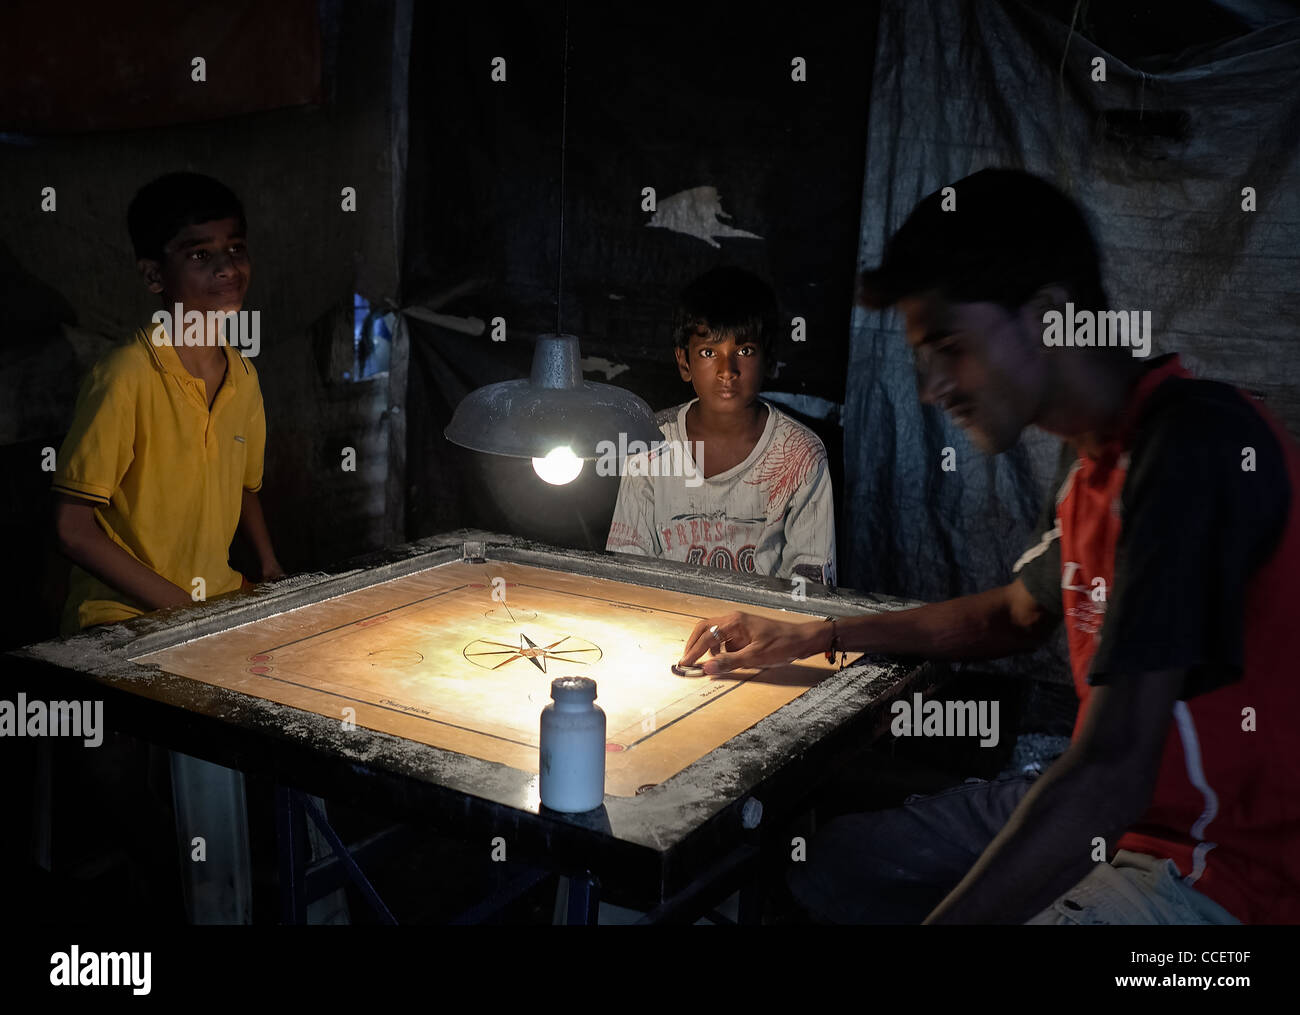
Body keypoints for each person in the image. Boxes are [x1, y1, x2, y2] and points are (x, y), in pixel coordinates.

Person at [679, 169, 1300, 924]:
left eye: (948, 345)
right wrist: (820, 634)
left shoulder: (1195, 447)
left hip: (1215, 871)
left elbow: (1109, 775)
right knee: (832, 868)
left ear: (1046, 316)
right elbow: (1013, 613)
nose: (931, 386)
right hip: (1122, 820)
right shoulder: (1093, 460)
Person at [52, 172, 282, 634]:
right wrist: (183, 612)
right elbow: (72, 530)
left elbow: (244, 486)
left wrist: (270, 568)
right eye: (200, 254)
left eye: (235, 248)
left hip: (214, 601)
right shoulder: (125, 376)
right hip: (123, 617)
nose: (226, 268)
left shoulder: (244, 376)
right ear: (154, 274)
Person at [606, 266, 836, 585]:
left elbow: (811, 583)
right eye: (708, 352)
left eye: (744, 351)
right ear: (685, 362)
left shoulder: (800, 456)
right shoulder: (649, 443)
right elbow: (625, 569)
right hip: (663, 625)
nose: (727, 370)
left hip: (765, 632)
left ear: (769, 359)